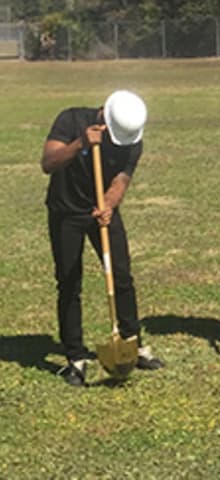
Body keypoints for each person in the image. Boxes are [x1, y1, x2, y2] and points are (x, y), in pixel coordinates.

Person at [41, 90, 164, 386]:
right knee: (69, 281)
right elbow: (48, 162)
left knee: (121, 275)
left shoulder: (132, 140)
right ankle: (75, 356)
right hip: (65, 212)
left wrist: (109, 204)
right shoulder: (70, 120)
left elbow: (121, 180)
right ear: (104, 120)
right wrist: (81, 143)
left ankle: (132, 343)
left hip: (101, 212)